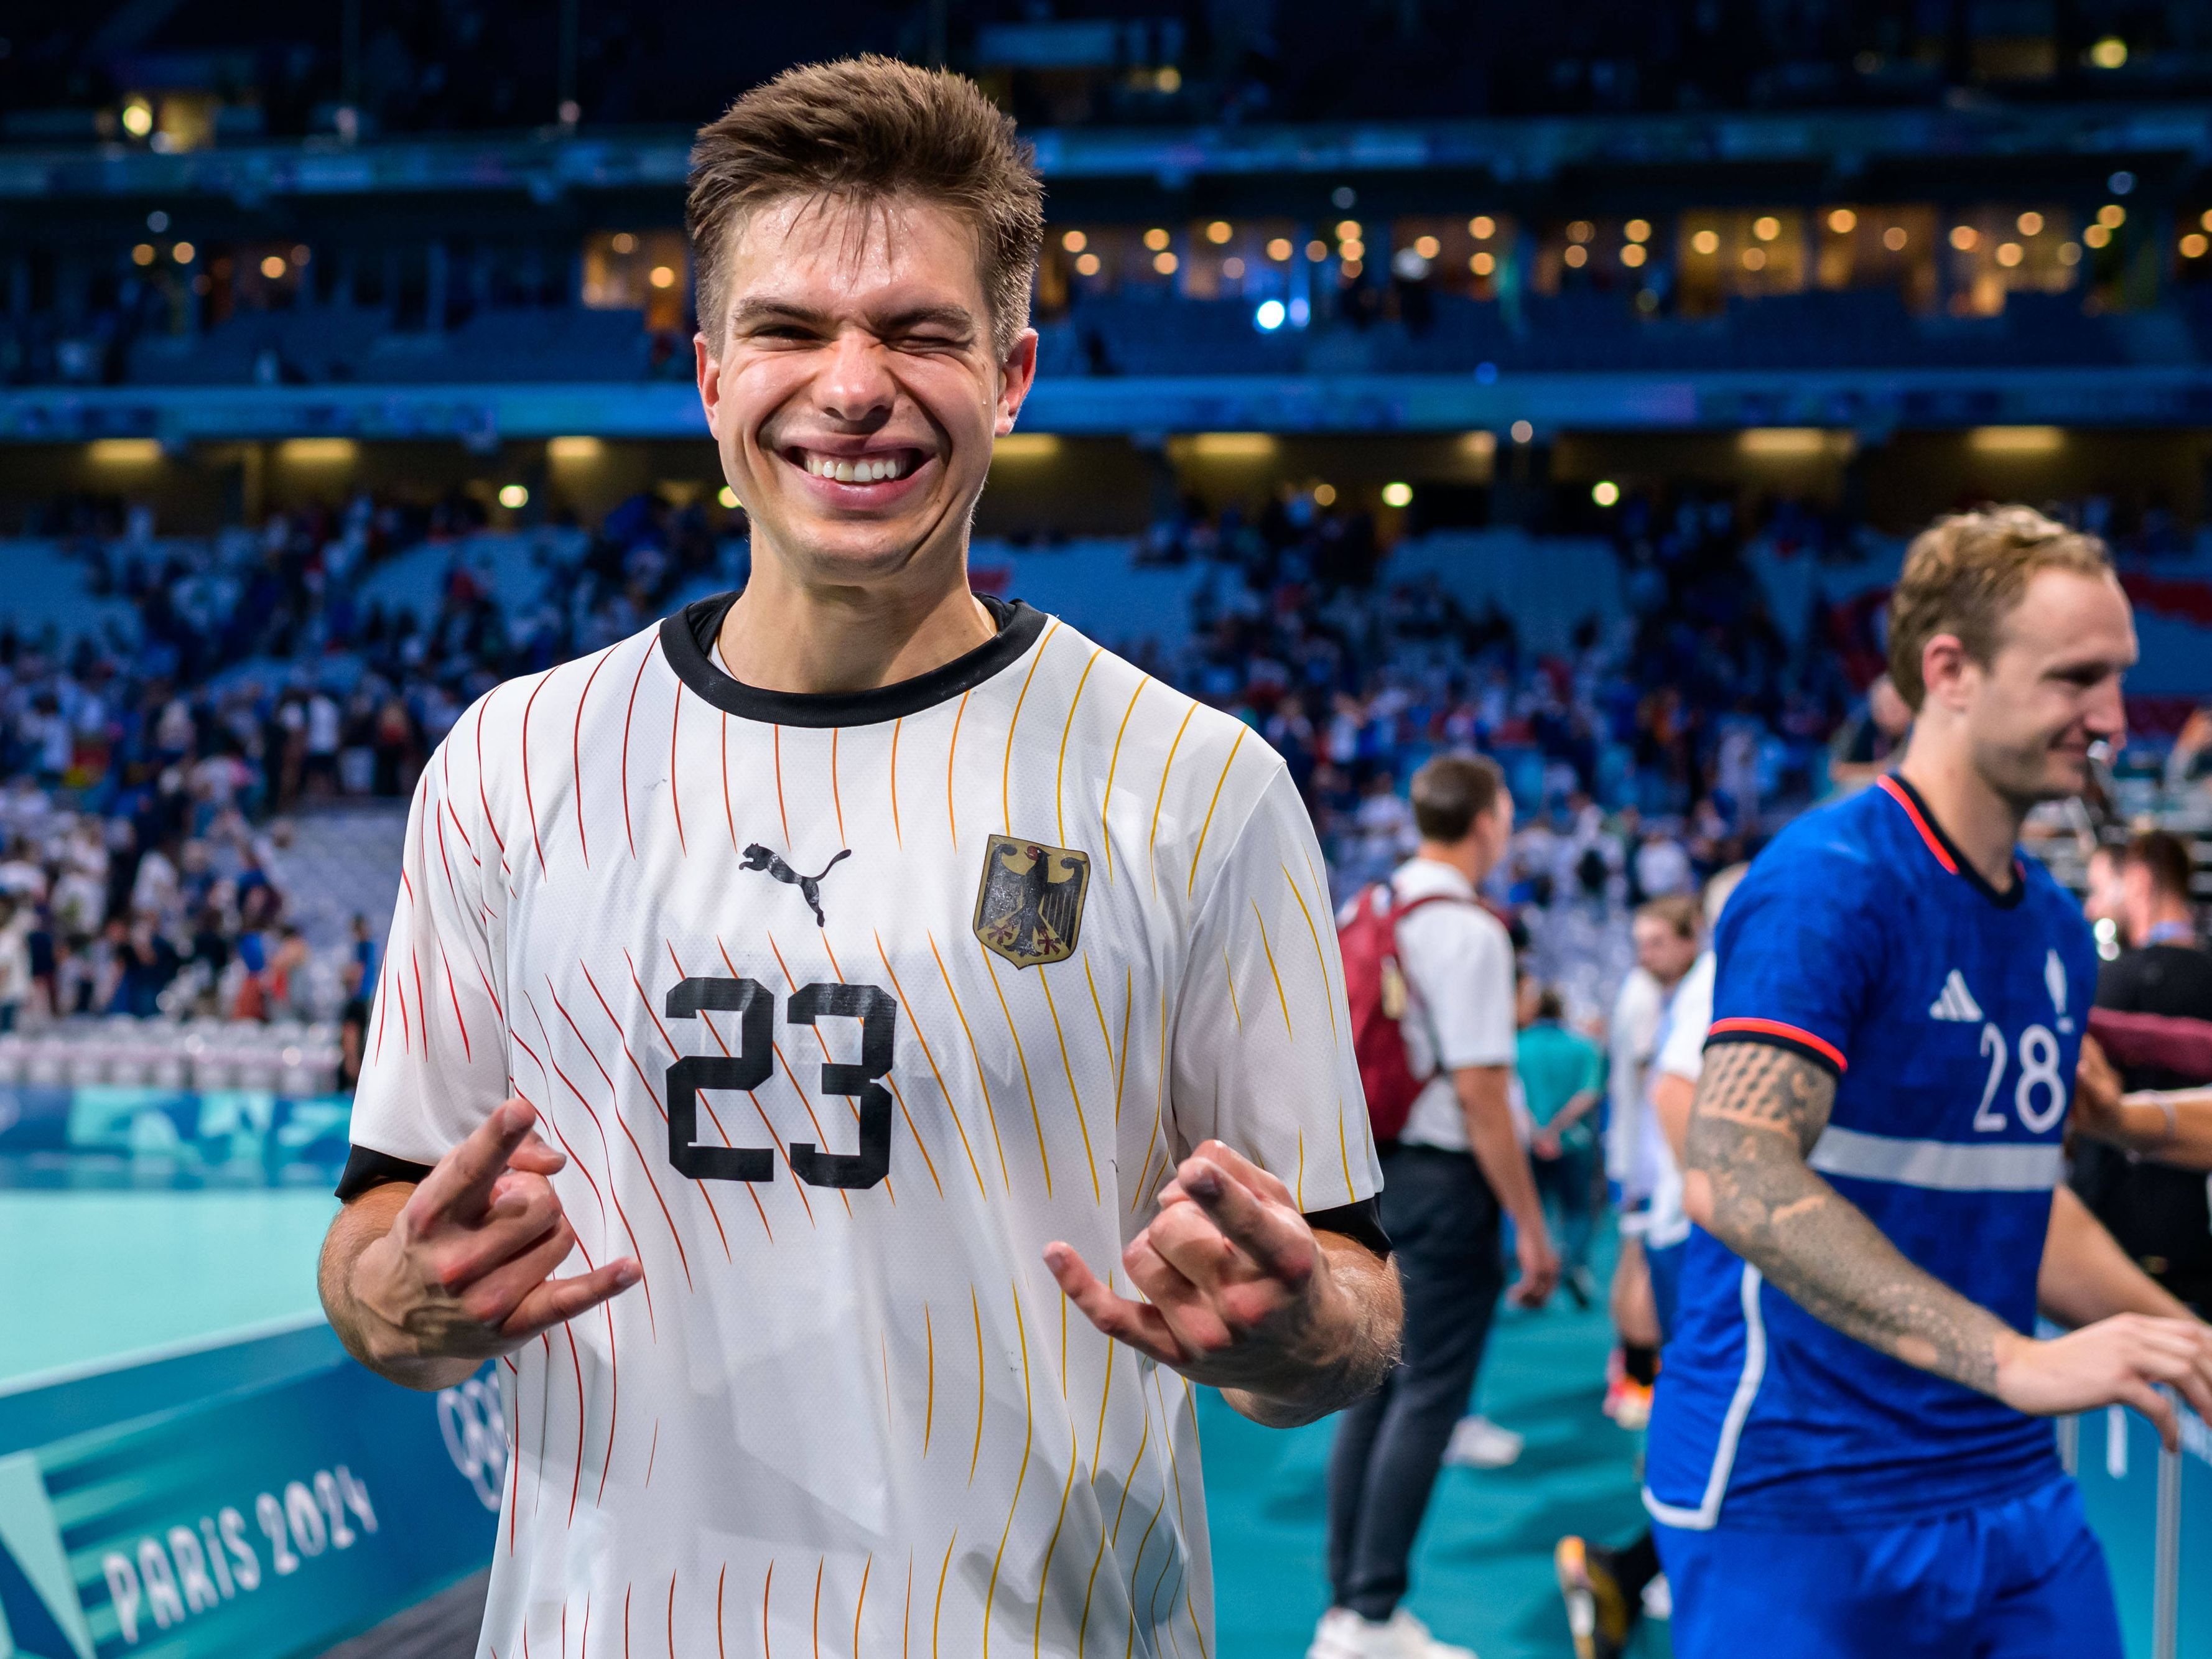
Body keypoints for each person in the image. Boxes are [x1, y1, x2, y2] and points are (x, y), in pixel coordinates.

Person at [314, 58, 1401, 1659]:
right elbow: (375, 1249)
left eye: (919, 332)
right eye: (791, 329)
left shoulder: (1198, 786)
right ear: (707, 374)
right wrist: (404, 1302)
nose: (853, 384)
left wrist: (1296, 1329)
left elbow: (1350, 1298)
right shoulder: (513, 763)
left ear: (1014, 372)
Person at [1648, 506, 2212, 1658]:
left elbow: (2012, 1201)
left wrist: (2182, 1337)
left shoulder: (2054, 933)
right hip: (1801, 1490)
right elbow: (1735, 1170)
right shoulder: (1829, 881)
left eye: (2118, 679)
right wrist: (2015, 1356)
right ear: (1948, 670)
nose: (2111, 718)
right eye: (2077, 679)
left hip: (2007, 1482)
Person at [1320, 753, 1557, 1659]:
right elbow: (1484, 1092)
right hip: (1446, 1179)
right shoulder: (1471, 929)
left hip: (1372, 1166)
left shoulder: (1366, 906)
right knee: (1427, 1395)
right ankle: (1370, 1613)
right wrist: (1531, 1226)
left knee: (1371, 1383)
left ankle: (1350, 1603)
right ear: (1489, 821)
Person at [1555, 864, 1744, 1659]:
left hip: (1685, 1222)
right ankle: (1642, 1566)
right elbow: (1671, 1104)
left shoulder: (1699, 985)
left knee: (1714, 1404)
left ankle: (1636, 1566)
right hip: (1702, 1231)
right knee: (1728, 1410)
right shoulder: (1713, 984)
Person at [2070, 830, 2212, 1313]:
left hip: (2121, 1247)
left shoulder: (2112, 981)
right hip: (2193, 1248)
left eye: (2100, 889)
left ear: (2138, 880)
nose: (2093, 909)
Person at [1604, 895, 1701, 1428]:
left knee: (1634, 1257)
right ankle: (1640, 1379)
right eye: (1642, 942)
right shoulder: (1648, 997)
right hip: (1649, 1154)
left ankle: (1633, 1374)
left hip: (1639, 1152)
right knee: (1641, 1263)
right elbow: (1659, 1089)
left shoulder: (1653, 991)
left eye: (1657, 942)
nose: (1647, 953)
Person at [1517, 978, 1604, 1308]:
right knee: (1579, 1209)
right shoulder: (1585, 1047)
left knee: (1532, 1210)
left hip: (1529, 1142)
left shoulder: (1516, 1045)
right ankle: (1574, 1266)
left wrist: (1539, 1131)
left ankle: (1533, 1271)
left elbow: (1511, 1095)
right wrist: (1557, 1130)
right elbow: (1589, 1093)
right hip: (1575, 1142)